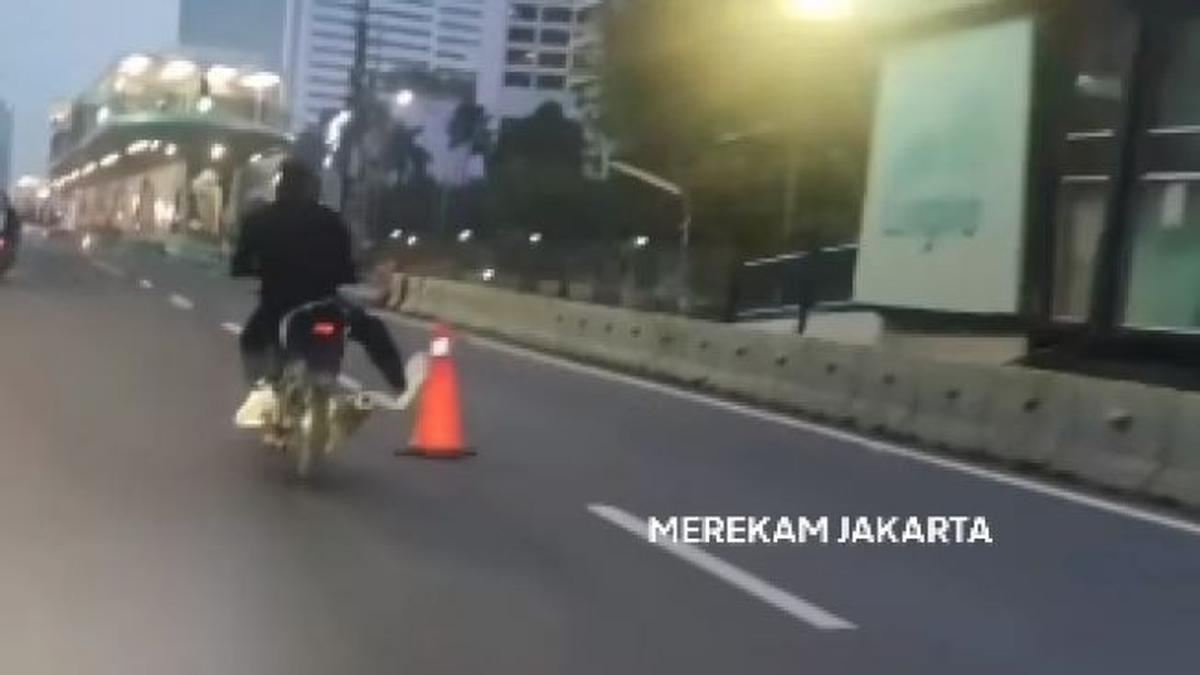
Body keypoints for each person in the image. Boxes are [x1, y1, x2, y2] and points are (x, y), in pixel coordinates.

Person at [232, 158, 411, 423]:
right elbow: (348, 270)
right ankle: (400, 385)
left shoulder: (259, 221)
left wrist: (257, 270)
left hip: (280, 303)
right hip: (327, 301)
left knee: (251, 339)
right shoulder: (331, 221)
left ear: (281, 185)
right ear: (311, 188)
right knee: (371, 329)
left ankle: (263, 389)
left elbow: (240, 265)